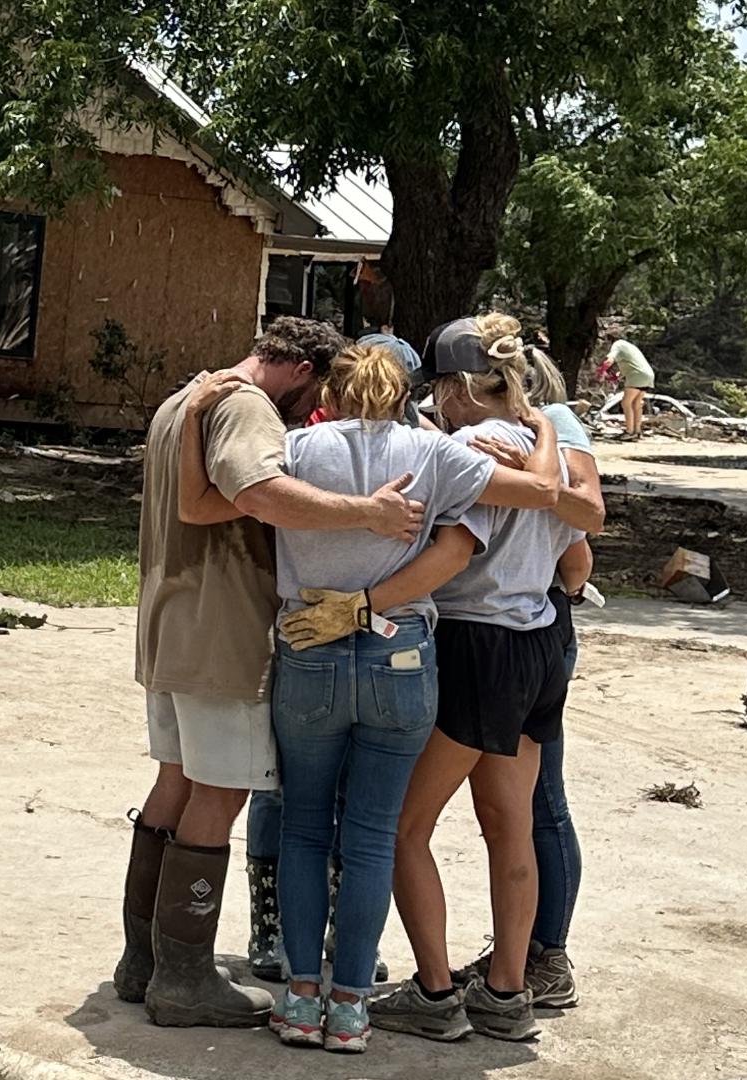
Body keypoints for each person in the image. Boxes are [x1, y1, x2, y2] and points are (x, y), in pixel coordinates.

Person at [190, 343, 562, 1052]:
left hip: (309, 649)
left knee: (302, 826)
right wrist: (542, 427)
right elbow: (543, 494)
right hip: (400, 655)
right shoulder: (436, 453)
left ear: (331, 390)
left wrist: (192, 423)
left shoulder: (297, 448)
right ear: (405, 393)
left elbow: (205, 500)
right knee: (369, 835)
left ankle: (301, 999)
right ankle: (353, 1006)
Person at [118, 317, 424, 1030]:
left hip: (170, 621)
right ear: (302, 371)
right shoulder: (247, 407)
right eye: (316, 391)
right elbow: (257, 492)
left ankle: (146, 961)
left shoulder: (185, 398)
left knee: (175, 782)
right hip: (221, 628)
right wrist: (367, 514)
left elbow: (202, 502)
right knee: (220, 793)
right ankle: (184, 977)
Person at [365, 314, 583, 1043]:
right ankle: (507, 991)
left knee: (402, 828)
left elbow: (454, 554)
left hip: (474, 644)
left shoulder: (467, 450)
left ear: (459, 388)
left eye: (439, 392)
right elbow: (577, 566)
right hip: (540, 641)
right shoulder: (540, 450)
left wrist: (364, 603)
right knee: (508, 825)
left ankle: (432, 995)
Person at [244, 329, 430, 985]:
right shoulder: (316, 435)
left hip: (321, 637)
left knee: (314, 802)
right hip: (361, 639)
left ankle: (310, 946)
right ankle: (303, 943)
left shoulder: (313, 442)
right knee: (318, 802)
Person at [458, 346, 605, 1008]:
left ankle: (545, 954)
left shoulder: (551, 430)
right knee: (522, 807)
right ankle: (519, 963)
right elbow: (577, 561)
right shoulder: (537, 434)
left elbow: (587, 522)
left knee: (531, 804)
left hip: (509, 631)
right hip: (541, 621)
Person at [608, 338, 655, 440]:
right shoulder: (631, 348)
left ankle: (629, 431)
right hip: (648, 375)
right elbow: (631, 367)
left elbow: (609, 360)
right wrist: (616, 377)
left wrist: (602, 370)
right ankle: (637, 431)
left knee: (626, 403)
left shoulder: (617, 344)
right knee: (637, 403)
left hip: (637, 376)